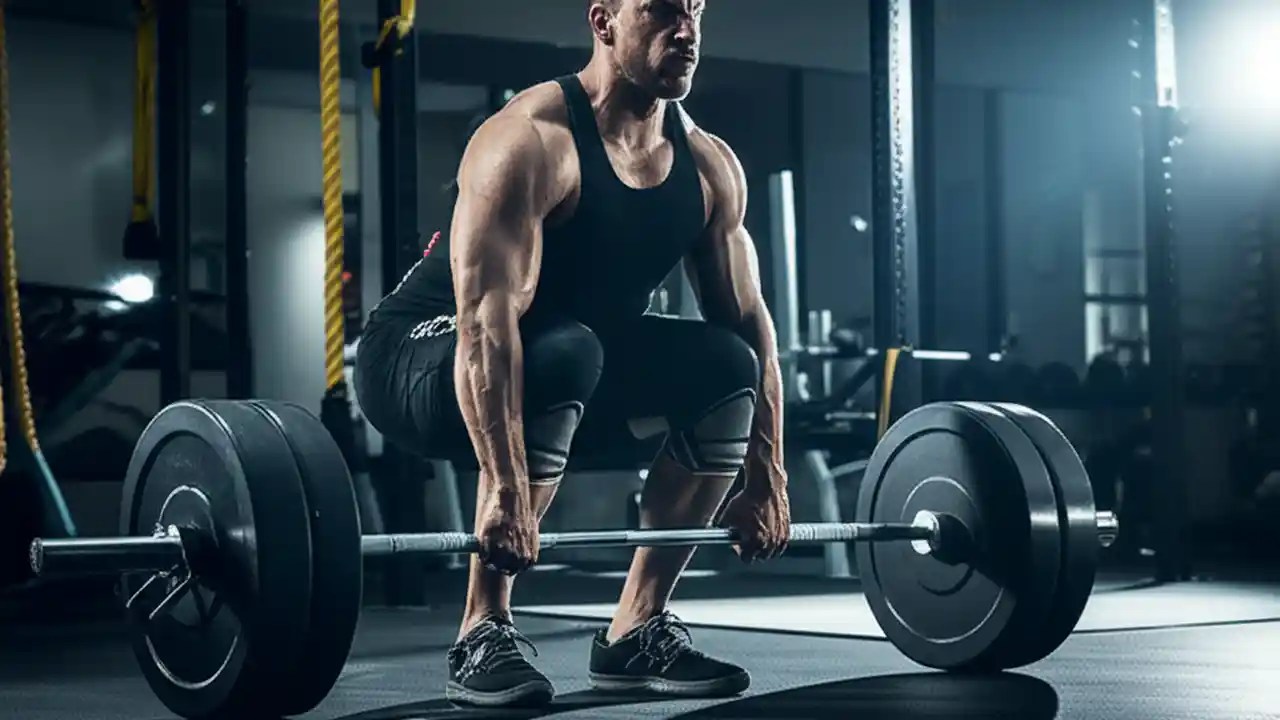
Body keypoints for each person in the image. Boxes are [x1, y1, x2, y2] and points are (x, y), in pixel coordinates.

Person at [354, 0, 791, 708]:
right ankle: (482, 627)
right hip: (418, 357)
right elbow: (486, 324)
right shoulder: (528, 139)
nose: (686, 30)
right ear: (604, 22)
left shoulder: (709, 165)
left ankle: (635, 629)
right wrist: (501, 488)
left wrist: (765, 472)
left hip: (565, 358)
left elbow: (750, 327)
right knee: (562, 350)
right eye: (661, 12)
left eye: (695, 11)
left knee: (725, 368)